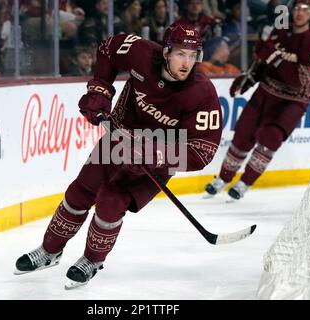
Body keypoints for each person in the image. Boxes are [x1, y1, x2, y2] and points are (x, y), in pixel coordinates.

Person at [14, 22, 223, 288]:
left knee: (112, 201)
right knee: (79, 192)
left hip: (156, 159)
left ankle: (91, 260)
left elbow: (202, 151)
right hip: (119, 138)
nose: (186, 63)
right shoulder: (140, 52)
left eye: (193, 56)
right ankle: (49, 251)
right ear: (166, 52)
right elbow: (107, 50)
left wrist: (156, 154)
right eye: (180, 54)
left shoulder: (202, 92)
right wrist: (100, 89)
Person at [205, 0, 310, 200]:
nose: (300, 13)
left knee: (270, 137)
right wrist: (249, 78)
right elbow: (264, 61)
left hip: (292, 102)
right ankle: (223, 178)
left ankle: (245, 183)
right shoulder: (280, 32)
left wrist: (274, 58)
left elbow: (301, 81)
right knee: (243, 133)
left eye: (305, 9)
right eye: (297, 8)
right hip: (265, 92)